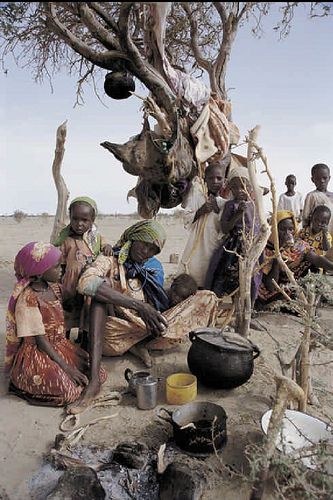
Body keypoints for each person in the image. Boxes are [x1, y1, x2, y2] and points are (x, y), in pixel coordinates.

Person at [68, 220, 218, 414]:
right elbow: (85, 283)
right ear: (133, 237)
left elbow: (162, 299)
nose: (146, 252)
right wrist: (139, 305)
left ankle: (139, 345)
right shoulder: (109, 260)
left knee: (207, 297)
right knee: (99, 291)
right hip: (113, 334)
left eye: (153, 250)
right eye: (144, 244)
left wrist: (153, 312)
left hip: (146, 330)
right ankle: (94, 380)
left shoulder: (151, 267)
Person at [4, 241, 106, 407]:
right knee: (69, 393)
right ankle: (22, 388)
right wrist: (68, 368)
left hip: (60, 346)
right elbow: (41, 341)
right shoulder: (27, 300)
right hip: (39, 354)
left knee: (98, 374)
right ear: (38, 272)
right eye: (57, 266)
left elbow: (71, 300)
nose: (61, 269)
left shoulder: (53, 288)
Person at [54, 196, 112, 345]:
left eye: (84, 220)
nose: (79, 224)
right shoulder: (66, 240)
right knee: (68, 312)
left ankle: (85, 338)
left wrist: (107, 247)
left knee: (87, 312)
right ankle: (64, 340)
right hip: (70, 284)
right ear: (70, 218)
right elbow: (59, 264)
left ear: (92, 220)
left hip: (89, 283)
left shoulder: (96, 239)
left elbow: (106, 247)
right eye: (75, 219)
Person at [205, 166, 262, 302]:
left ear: (250, 187)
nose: (239, 190)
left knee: (252, 277)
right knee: (225, 274)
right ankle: (219, 303)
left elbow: (258, 226)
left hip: (251, 246)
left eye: (243, 186)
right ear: (230, 188)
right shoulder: (230, 205)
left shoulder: (254, 205)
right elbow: (224, 228)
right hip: (233, 247)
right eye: (235, 187)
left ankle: (249, 306)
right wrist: (237, 214)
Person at [256, 211, 333, 307]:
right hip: (270, 290)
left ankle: (307, 300)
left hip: (288, 283)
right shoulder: (265, 249)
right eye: (282, 229)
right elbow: (270, 286)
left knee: (312, 267)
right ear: (274, 229)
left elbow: (316, 258)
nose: (287, 233)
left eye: (291, 229)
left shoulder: (297, 244)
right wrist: (277, 257)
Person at [176, 162, 226, 288]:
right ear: (205, 179)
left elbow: (225, 228)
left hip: (214, 244)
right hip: (196, 244)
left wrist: (216, 210)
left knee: (209, 274)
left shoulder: (225, 203)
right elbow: (186, 217)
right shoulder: (197, 196)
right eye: (211, 178)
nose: (215, 181)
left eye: (219, 178)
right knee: (192, 272)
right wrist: (201, 210)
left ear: (224, 181)